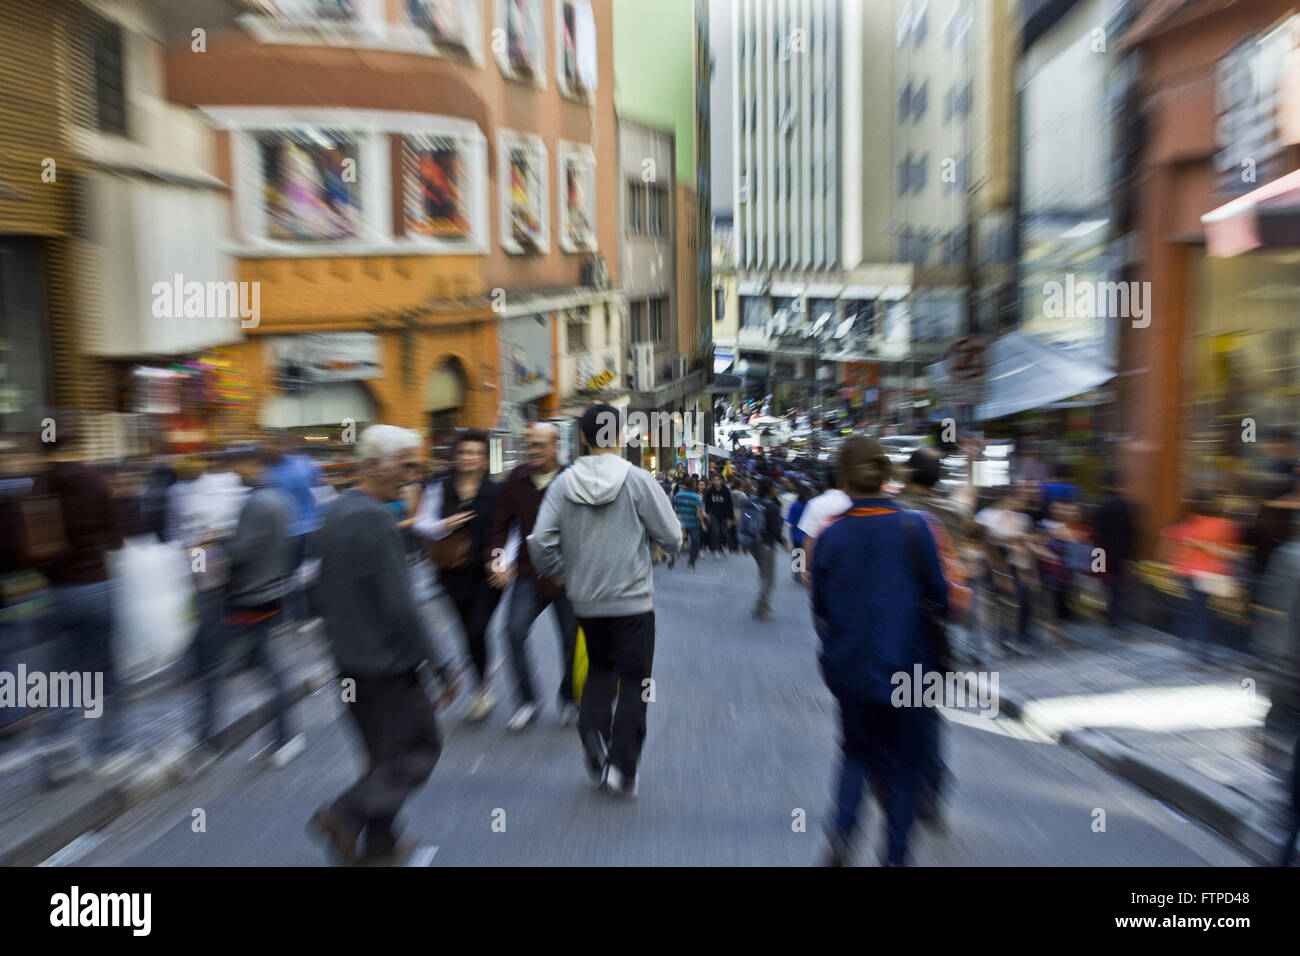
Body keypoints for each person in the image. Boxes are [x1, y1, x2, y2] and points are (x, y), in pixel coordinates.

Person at [527, 404, 681, 798]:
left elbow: (539, 542)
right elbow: (673, 536)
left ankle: (594, 734)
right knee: (635, 683)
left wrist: (560, 571)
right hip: (632, 604)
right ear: (619, 435)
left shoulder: (562, 484)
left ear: (581, 437)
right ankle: (622, 768)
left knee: (599, 672)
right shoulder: (637, 480)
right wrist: (657, 544)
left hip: (586, 604)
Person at [309, 425, 444, 865]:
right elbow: (401, 606)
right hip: (386, 668)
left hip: (349, 664)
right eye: (406, 464)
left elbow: (318, 593)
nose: (413, 474)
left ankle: (381, 848)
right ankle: (343, 814)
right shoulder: (375, 519)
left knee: (382, 761)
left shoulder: (337, 510)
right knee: (421, 747)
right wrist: (440, 663)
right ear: (374, 465)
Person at [812, 437, 948, 867]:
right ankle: (893, 858)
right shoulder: (915, 527)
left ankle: (842, 830)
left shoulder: (830, 535)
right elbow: (941, 598)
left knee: (855, 752)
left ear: (844, 479)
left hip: (851, 665)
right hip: (910, 669)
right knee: (905, 769)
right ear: (886, 473)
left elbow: (821, 605)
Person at [195, 443, 305, 770]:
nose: (233, 473)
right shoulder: (283, 500)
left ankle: (207, 744)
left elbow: (240, 553)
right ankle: (285, 738)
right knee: (269, 670)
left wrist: (216, 542)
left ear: (253, 465)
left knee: (214, 673)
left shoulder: (256, 503)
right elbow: (293, 548)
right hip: (271, 596)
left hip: (246, 601)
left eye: (237, 466)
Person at [31, 419, 128, 784]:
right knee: (107, 674)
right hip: (96, 587)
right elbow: (117, 540)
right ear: (79, 444)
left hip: (57, 593)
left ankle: (55, 740)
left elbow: (38, 549)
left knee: (67, 673)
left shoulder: (39, 486)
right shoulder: (95, 480)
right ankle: (111, 749)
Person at [484, 422, 579, 731]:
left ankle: (569, 700)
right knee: (512, 632)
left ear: (555, 447)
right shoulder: (517, 478)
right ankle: (527, 702)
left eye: (540, 445)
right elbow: (500, 526)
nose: (533, 450)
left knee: (570, 642)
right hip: (528, 573)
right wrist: (497, 560)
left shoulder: (571, 479)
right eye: (530, 445)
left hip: (567, 578)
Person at [413, 429, 502, 721]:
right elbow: (421, 524)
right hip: (451, 573)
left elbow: (509, 529)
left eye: (475, 453)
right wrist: (444, 524)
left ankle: (482, 688)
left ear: (484, 459)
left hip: (487, 575)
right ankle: (482, 686)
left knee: (477, 628)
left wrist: (504, 562)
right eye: (464, 452)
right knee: (466, 631)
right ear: (456, 456)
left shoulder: (495, 491)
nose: (468, 458)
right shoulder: (439, 487)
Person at [1095, 470, 1136, 631]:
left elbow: (1097, 528)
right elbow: (1129, 530)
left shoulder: (1100, 503)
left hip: (1101, 550)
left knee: (1104, 582)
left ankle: (1105, 612)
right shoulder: (1123, 504)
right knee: (1117, 585)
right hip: (1118, 552)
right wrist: (1129, 554)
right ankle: (1116, 617)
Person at [797, 469, 852, 585]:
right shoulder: (852, 503)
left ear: (826, 482)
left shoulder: (815, 503)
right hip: (848, 563)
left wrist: (804, 567)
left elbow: (808, 540)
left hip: (821, 561)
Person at [749, 477, 784, 620]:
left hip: (752, 543)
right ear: (769, 489)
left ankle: (765, 603)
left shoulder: (752, 502)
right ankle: (760, 607)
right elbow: (775, 529)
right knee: (769, 579)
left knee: (763, 574)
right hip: (766, 545)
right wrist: (782, 541)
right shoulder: (772, 507)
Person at [672, 473, 705, 571]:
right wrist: (702, 524)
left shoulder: (678, 495)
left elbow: (673, 507)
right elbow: (699, 511)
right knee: (695, 542)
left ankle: (675, 554)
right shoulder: (695, 497)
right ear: (693, 485)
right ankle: (691, 562)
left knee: (679, 541)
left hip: (681, 522)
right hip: (693, 523)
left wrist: (674, 519)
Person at [704, 473, 734, 558]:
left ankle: (724, 545)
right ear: (713, 481)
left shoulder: (726, 490)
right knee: (715, 532)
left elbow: (730, 504)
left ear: (721, 481)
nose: (716, 482)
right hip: (714, 514)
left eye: (718, 480)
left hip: (724, 515)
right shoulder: (710, 490)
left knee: (724, 532)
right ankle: (716, 549)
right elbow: (707, 502)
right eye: (715, 480)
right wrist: (707, 513)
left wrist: (730, 517)